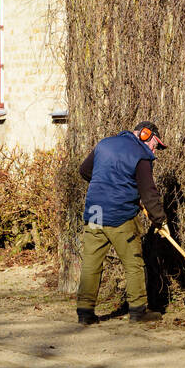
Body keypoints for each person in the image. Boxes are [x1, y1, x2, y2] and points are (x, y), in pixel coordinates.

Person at [75, 121, 168, 325]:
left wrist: (109, 182)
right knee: (133, 263)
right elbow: (148, 193)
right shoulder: (141, 155)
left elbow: (84, 171)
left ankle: (85, 312)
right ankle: (138, 311)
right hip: (120, 215)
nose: (155, 149)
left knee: (91, 263)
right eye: (155, 144)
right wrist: (160, 220)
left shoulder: (104, 144)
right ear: (145, 135)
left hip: (95, 212)